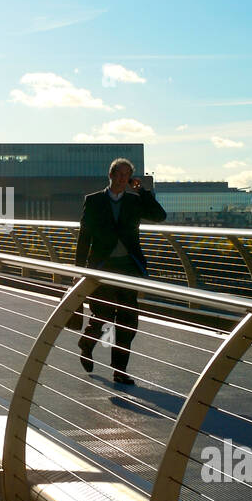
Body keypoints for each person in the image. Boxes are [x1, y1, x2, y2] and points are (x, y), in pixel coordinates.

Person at [75, 158, 166, 385]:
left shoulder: (135, 201)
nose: (123, 179)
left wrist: (143, 192)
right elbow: (84, 236)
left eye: (127, 175)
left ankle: (120, 369)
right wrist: (79, 270)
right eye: (119, 174)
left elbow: (159, 215)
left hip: (128, 266)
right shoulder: (94, 201)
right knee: (104, 314)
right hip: (102, 266)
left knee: (127, 319)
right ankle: (88, 341)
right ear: (111, 175)